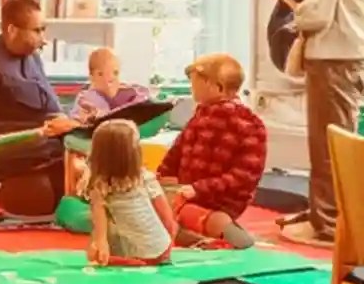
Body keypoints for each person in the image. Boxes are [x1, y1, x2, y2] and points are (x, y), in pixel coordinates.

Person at [270, 0, 364, 248]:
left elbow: (319, 16)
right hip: (353, 54)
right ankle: (328, 214)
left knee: (327, 145)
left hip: (333, 57)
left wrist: (293, 8)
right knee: (343, 139)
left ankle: (327, 223)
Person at [0, 0, 79, 215]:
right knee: (42, 199)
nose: (43, 39)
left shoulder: (33, 58)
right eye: (36, 31)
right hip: (16, 153)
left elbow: (52, 108)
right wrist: (40, 130)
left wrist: (70, 124)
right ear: (12, 30)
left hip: (53, 148)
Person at [156, 53, 265, 250]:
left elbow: (243, 176)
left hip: (219, 199)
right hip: (187, 193)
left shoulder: (248, 125)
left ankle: (215, 226)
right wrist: (162, 175)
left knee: (172, 210)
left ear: (218, 87)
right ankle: (189, 230)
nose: (192, 86)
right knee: (148, 199)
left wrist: (200, 188)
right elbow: (177, 152)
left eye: (198, 81)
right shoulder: (200, 117)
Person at [80, 120, 175, 266]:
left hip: (140, 252)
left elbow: (99, 225)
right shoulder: (146, 177)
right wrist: (166, 245)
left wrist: (99, 245)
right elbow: (168, 220)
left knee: (93, 253)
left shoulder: (98, 186)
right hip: (162, 248)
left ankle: (127, 259)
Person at [70, 47, 151, 122]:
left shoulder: (128, 92)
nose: (108, 79)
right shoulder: (86, 98)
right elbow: (76, 119)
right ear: (91, 77)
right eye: (100, 74)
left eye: (115, 73)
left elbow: (144, 98)